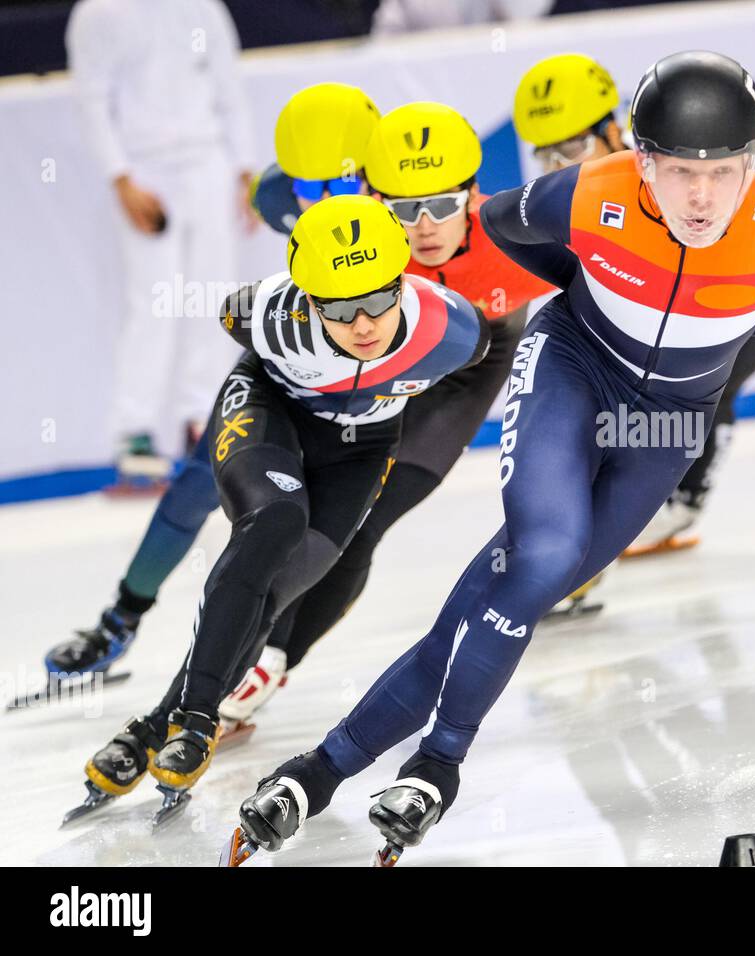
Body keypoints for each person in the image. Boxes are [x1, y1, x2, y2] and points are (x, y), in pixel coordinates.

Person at [227, 50, 755, 866]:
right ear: (640, 158)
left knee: (516, 578)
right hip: (574, 370)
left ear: (754, 163)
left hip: (666, 423)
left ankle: (321, 769)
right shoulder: (591, 192)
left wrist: (717, 332)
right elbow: (504, 228)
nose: (702, 196)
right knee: (549, 547)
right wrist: (589, 287)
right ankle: (438, 763)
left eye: (725, 172)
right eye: (680, 172)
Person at [67, 196, 491, 824]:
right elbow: (234, 321)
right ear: (309, 300)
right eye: (341, 311)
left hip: (362, 447)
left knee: (280, 593)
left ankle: (157, 723)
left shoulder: (454, 333)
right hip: (272, 408)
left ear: (405, 281)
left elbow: (480, 353)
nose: (365, 324)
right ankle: (198, 716)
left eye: (378, 299)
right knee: (273, 523)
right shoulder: (263, 314)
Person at [219, 101, 554, 730]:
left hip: (466, 375)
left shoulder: (520, 240)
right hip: (376, 356)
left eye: (442, 207)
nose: (425, 228)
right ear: (373, 199)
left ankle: (270, 660)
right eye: (404, 209)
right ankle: (237, 645)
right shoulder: (356, 241)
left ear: (473, 194)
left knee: (366, 525)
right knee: (314, 515)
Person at [40, 83, 383, 693]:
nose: (325, 202)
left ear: (376, 176)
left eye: (342, 185)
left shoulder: (404, 202)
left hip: (372, 393)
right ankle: (122, 617)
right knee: (200, 483)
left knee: (335, 539)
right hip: (289, 369)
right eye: (313, 189)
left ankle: (258, 665)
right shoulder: (275, 192)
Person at [511, 52, 755, 616]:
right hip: (714, 276)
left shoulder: (717, 162)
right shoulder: (614, 175)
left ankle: (682, 502)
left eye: (572, 145)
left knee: (714, 372)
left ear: (611, 129)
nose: (560, 161)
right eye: (548, 153)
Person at [66, 0, 256, 480]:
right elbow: (91, 99)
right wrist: (120, 178)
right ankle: (135, 428)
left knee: (212, 295)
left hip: (207, 160)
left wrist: (245, 170)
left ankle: (204, 419)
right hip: (146, 168)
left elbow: (228, 86)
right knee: (153, 299)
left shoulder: (201, 7)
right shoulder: (98, 14)